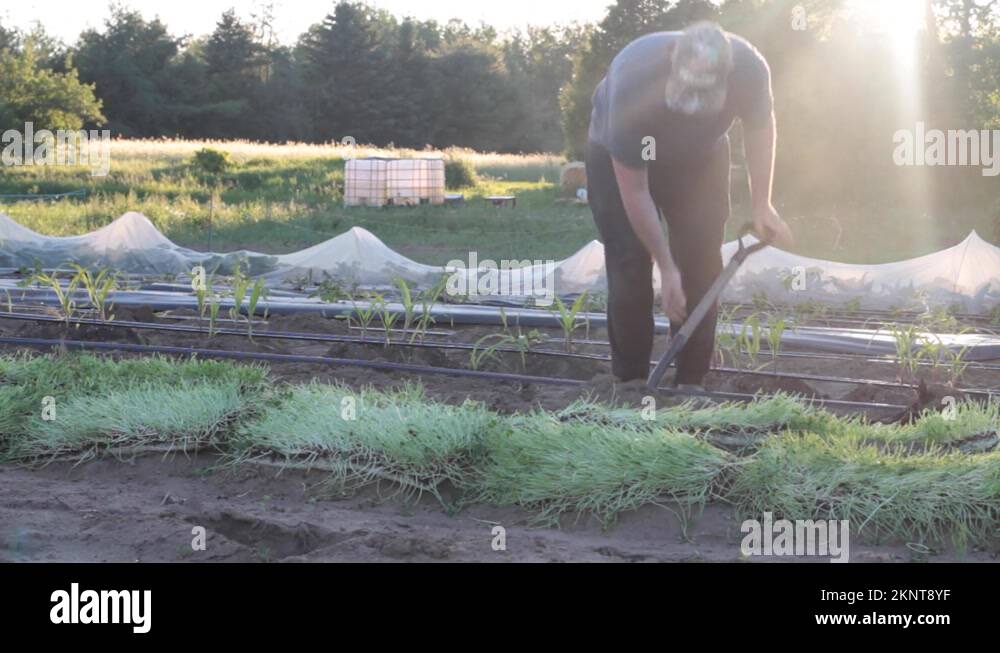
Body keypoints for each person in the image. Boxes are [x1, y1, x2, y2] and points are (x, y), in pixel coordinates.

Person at [586, 21, 793, 389]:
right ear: (672, 62)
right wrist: (665, 268)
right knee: (630, 261)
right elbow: (635, 192)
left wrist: (763, 203)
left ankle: (690, 382)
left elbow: (761, 129)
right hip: (620, 156)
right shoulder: (634, 82)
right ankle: (632, 381)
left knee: (700, 265)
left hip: (700, 158)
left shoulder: (749, 68)